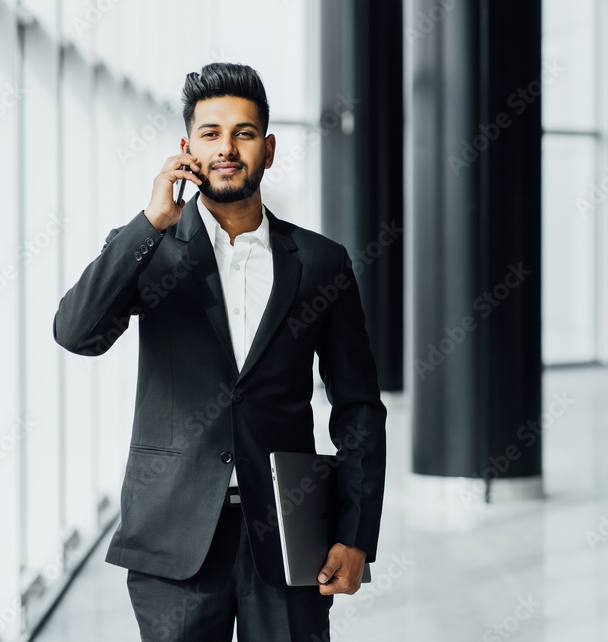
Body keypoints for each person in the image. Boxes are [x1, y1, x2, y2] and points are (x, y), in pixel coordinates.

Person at [53, 62, 386, 641]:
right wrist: (152, 220)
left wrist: (356, 534)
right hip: (172, 534)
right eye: (210, 133)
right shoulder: (147, 249)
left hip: (289, 531)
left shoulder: (321, 264)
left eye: (244, 132)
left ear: (269, 148)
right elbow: (76, 332)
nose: (227, 148)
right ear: (186, 148)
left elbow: (358, 407)